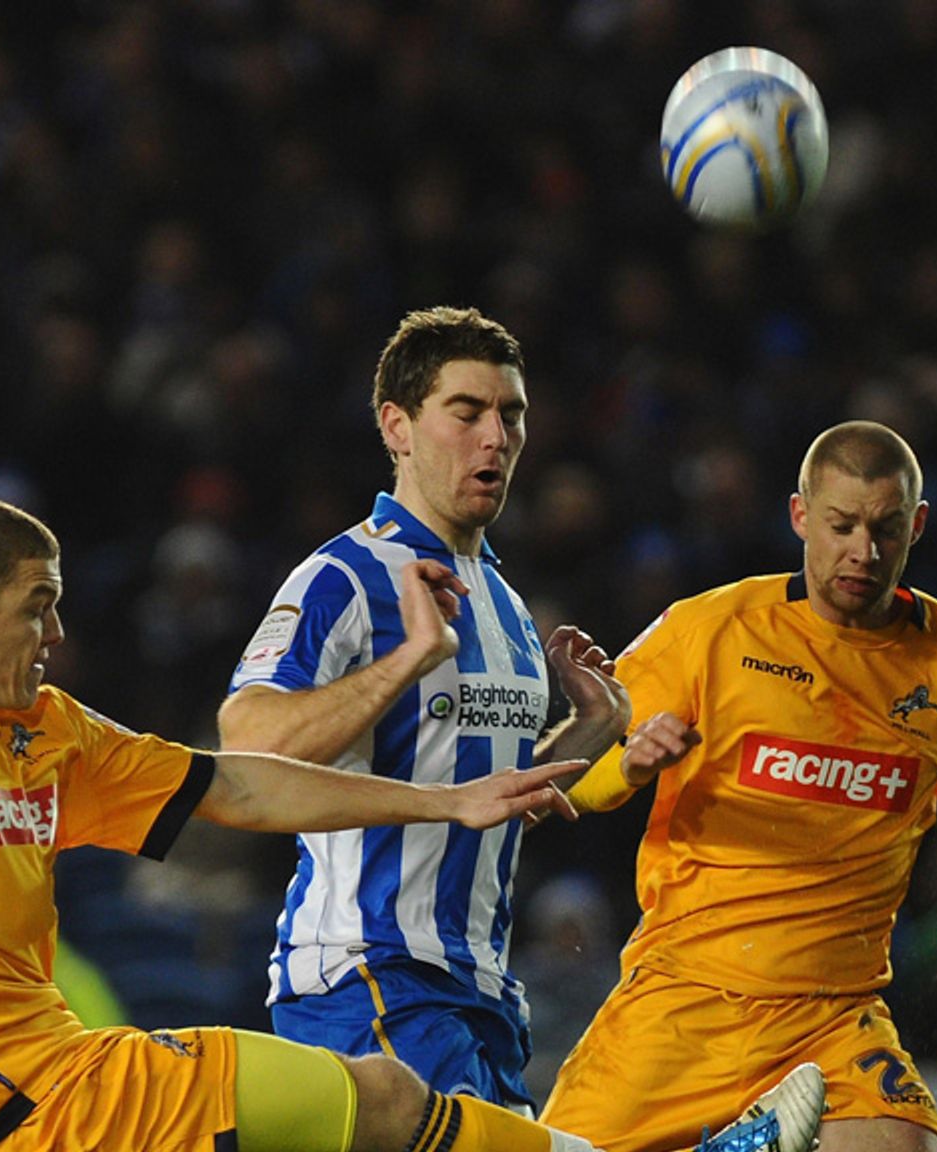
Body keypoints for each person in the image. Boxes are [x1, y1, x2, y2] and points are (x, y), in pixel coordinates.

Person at [0, 493, 824, 1152]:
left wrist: (444, 799)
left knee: (389, 1108)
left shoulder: (51, 730)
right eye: (34, 608)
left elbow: (236, 783)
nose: (53, 632)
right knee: (392, 1104)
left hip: (47, 1103)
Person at [542, 421, 937, 1152]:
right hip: (683, 1002)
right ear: (801, 515)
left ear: (917, 527)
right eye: (841, 526)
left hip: (833, 1017)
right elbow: (569, 789)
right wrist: (632, 768)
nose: (862, 552)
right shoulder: (708, 632)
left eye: (885, 529)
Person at [218, 306, 630, 1113]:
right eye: (467, 412)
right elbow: (246, 742)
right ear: (397, 427)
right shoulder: (344, 575)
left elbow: (473, 803)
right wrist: (406, 658)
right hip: (367, 972)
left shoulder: (506, 604)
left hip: (482, 986)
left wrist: (592, 732)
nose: (497, 437)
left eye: (511, 415)